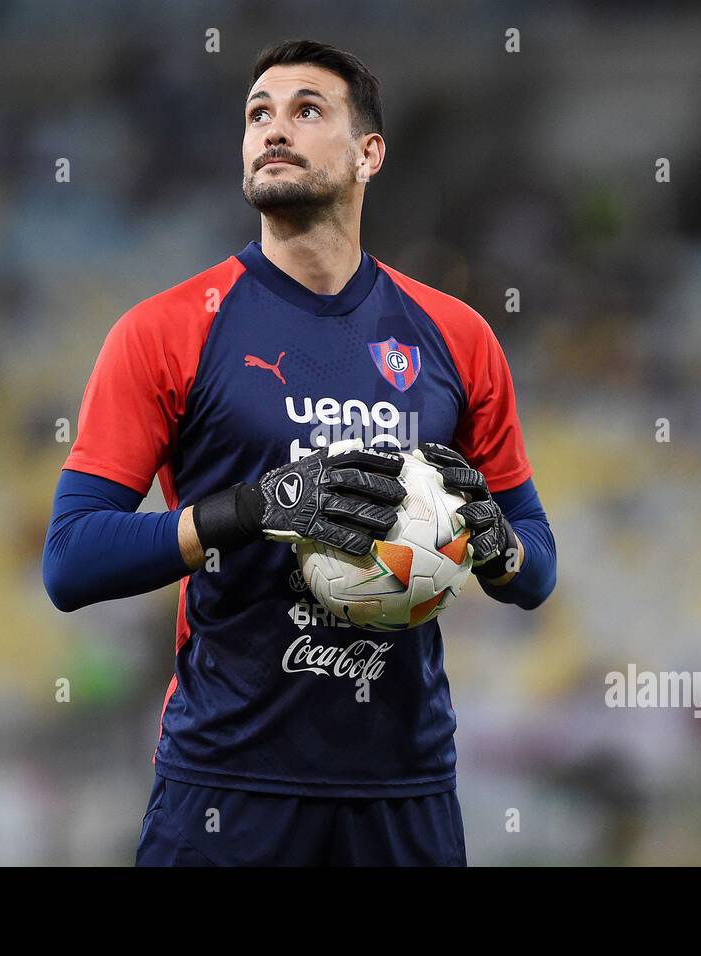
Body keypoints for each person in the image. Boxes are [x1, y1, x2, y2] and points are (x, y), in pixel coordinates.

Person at [42, 38, 556, 866]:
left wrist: (499, 548)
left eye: (306, 110)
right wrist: (253, 509)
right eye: (258, 114)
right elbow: (70, 561)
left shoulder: (457, 338)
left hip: (406, 788)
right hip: (227, 783)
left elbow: (538, 566)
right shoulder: (167, 330)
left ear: (368, 153)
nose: (273, 130)